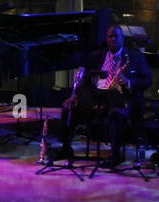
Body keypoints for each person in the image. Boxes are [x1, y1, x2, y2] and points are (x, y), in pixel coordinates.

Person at [52, 26, 151, 168]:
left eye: (116, 36)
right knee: (69, 108)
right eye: (110, 36)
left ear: (123, 38)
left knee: (115, 114)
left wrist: (129, 82)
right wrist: (74, 96)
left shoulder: (135, 57)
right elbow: (83, 81)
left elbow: (147, 80)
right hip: (96, 98)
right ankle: (65, 148)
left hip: (121, 100)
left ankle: (115, 155)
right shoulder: (95, 56)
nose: (113, 39)